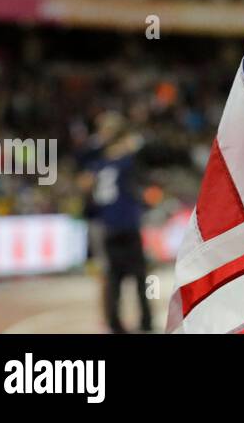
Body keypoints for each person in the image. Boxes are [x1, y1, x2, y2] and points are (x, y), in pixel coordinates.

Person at [80, 113, 153, 333]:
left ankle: (114, 323)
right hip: (126, 223)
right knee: (141, 278)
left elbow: (84, 182)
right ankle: (146, 321)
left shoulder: (99, 163)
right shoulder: (127, 159)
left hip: (107, 224)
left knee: (113, 278)